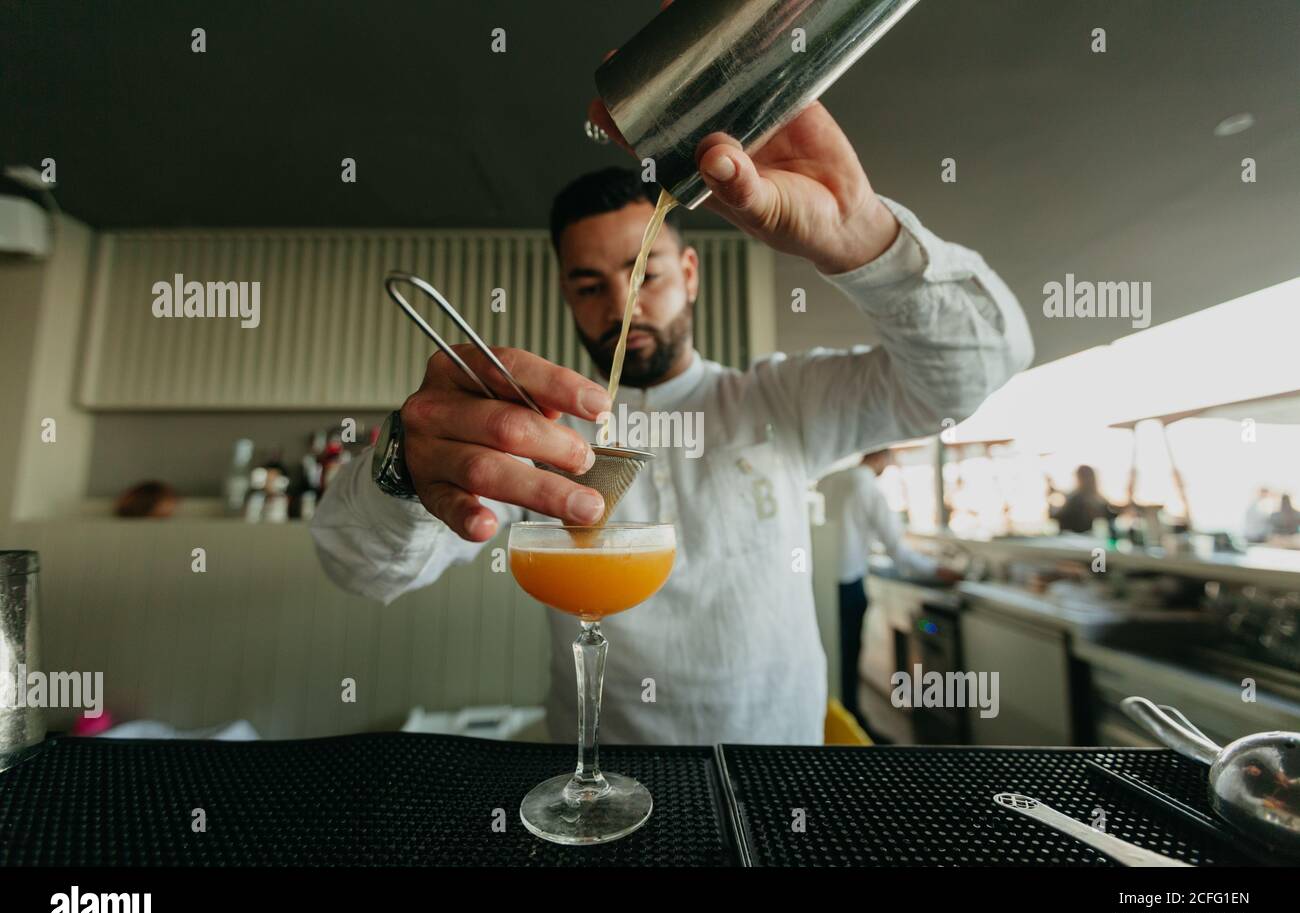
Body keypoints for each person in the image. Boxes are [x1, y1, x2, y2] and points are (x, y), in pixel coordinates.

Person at [311, 91, 1033, 745]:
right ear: (566, 294)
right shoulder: (533, 434)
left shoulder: (783, 400)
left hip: (776, 774)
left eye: (644, 273)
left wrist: (863, 236)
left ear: (688, 275)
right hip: (602, 790)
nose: (619, 306)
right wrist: (403, 468)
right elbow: (359, 568)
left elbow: (977, 368)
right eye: (589, 285)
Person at [823, 449, 959, 731]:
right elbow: (898, 551)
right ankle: (851, 725)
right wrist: (937, 570)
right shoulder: (867, 486)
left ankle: (834, 723)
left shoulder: (830, 479)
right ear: (881, 457)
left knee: (829, 659)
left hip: (820, 585)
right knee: (848, 658)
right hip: (848, 585)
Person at [1050, 465, 1117, 535]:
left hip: (1071, 540)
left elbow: (1057, 517)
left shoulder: (1075, 499)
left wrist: (1051, 504)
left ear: (1079, 478)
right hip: (1092, 540)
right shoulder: (1100, 500)